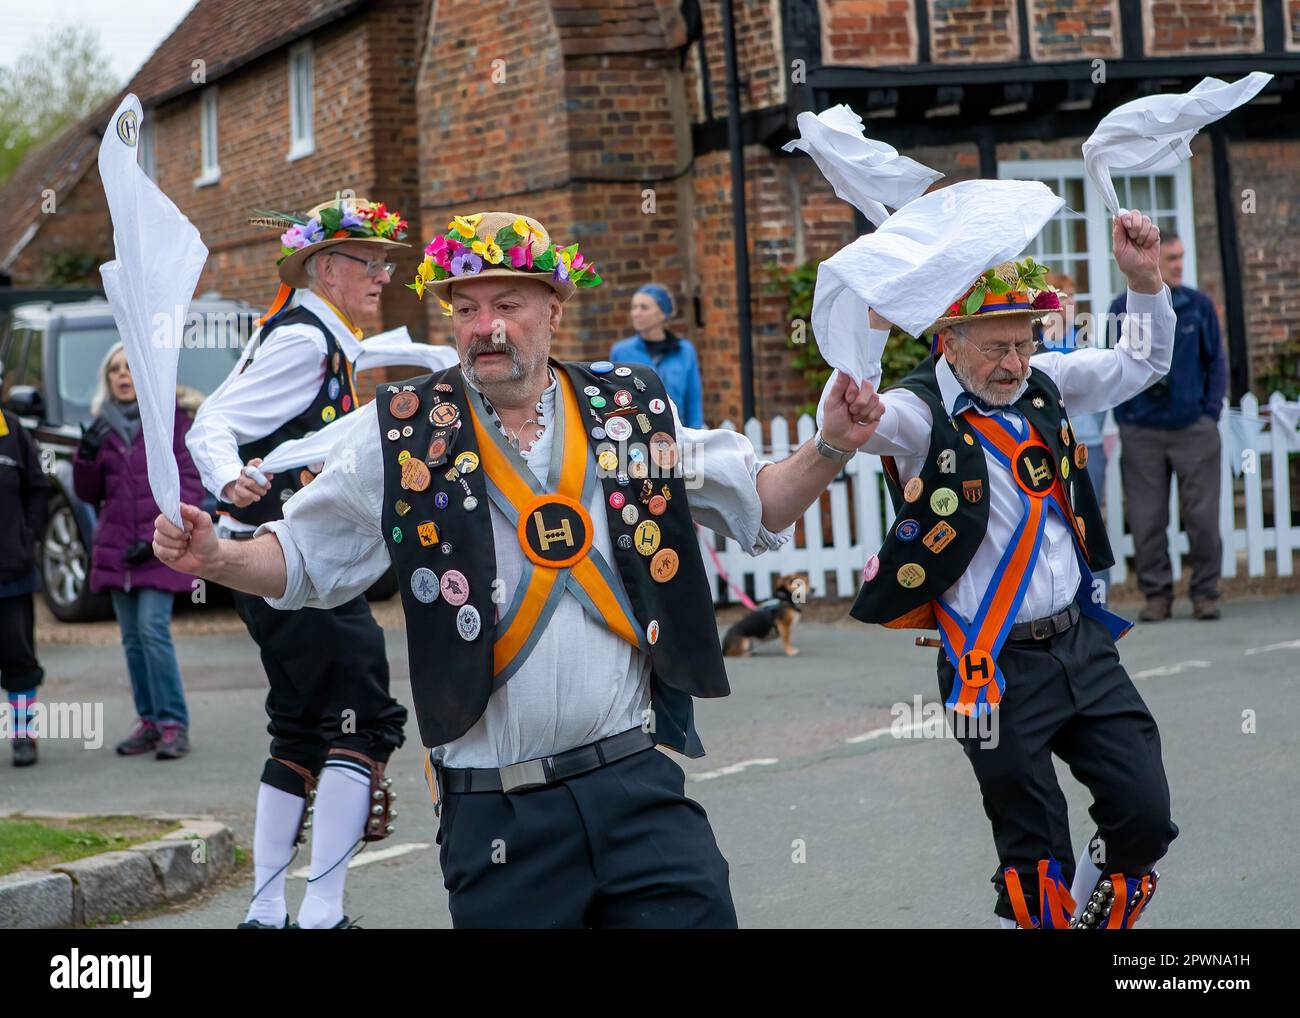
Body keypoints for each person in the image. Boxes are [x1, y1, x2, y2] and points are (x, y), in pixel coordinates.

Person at [156, 209, 885, 929]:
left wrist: (829, 445)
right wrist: (216, 555)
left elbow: (760, 502)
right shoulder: (407, 433)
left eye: (507, 304)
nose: (485, 326)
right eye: (466, 308)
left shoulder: (624, 414)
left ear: (554, 310)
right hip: (495, 814)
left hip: (636, 787)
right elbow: (302, 560)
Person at [841, 210, 1178, 929]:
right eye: (997, 348)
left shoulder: (1044, 385)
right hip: (987, 664)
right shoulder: (912, 412)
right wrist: (869, 322)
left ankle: (1080, 907)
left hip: (1083, 644)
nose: (1016, 363)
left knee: (1144, 815)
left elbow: (1141, 362)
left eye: (1025, 343)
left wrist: (1144, 281)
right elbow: (849, 419)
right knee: (1033, 857)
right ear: (949, 341)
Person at [185, 194, 428, 930]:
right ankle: (320, 915)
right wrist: (230, 477)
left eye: (386, 261)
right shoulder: (303, 340)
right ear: (326, 268)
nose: (383, 273)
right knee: (363, 718)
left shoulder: (322, 335)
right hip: (284, 560)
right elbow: (213, 420)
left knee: (300, 725)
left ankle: (266, 913)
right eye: (370, 261)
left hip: (283, 559)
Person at [73, 344, 203, 760]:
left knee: (152, 630)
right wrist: (86, 457)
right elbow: (88, 493)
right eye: (114, 369)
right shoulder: (102, 426)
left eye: (129, 367)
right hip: (115, 550)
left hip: (158, 547)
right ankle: (148, 722)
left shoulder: (168, 418)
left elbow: (189, 479)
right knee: (131, 639)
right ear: (107, 379)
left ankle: (173, 723)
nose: (122, 376)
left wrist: (158, 537)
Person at [1110, 231, 1227, 621]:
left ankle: (1206, 593)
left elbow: (1217, 362)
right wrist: (1124, 419)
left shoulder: (1199, 305)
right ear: (1154, 261)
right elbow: (1114, 367)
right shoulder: (1120, 307)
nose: (1177, 264)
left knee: (1203, 516)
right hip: (1141, 431)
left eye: (1180, 257)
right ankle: (1156, 596)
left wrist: (1209, 412)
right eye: (1171, 258)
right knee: (1146, 519)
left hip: (1193, 428)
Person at [1038, 272, 1109, 589]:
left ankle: (1096, 592)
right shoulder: (1034, 349)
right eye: (1062, 299)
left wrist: (1101, 431)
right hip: (1048, 445)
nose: (1069, 306)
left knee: (1089, 520)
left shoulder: (1085, 346)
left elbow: (1103, 394)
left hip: (1087, 442)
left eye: (1073, 298)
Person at [0, 366, 50, 768]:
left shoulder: (14, 432)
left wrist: (27, 537)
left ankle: (23, 735)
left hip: (11, 574)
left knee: (18, 657)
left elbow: (38, 488)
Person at [610, 283, 705, 427]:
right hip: (637, 435)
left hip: (677, 434)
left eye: (644, 307)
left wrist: (694, 439)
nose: (636, 313)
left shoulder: (685, 351)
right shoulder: (621, 352)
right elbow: (615, 399)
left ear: (662, 313)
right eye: (634, 307)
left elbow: (693, 402)